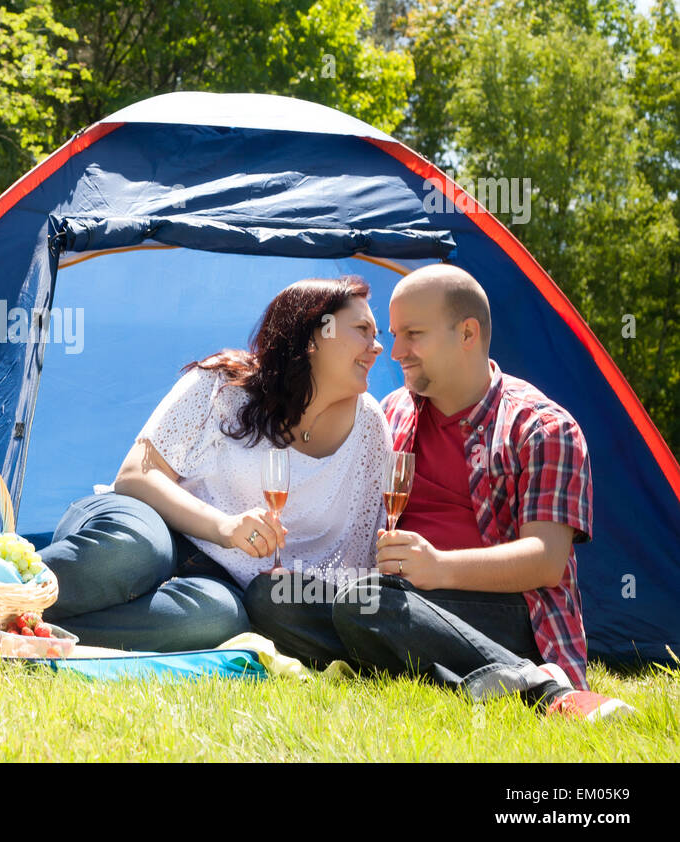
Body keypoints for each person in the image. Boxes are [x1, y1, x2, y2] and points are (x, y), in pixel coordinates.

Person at [244, 264, 635, 721]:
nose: (395, 352)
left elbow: (546, 561)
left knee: (369, 604)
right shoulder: (392, 415)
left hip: (507, 615)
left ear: (467, 333)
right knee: (272, 597)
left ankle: (546, 691)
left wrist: (437, 567)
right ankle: (445, 672)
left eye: (412, 334)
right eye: (393, 334)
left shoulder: (542, 428)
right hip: (401, 603)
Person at [39, 276, 389, 651]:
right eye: (362, 330)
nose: (378, 346)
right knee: (135, 551)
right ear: (313, 337)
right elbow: (136, 476)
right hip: (147, 520)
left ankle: (27, 627)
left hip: (217, 582)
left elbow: (357, 555)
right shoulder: (221, 383)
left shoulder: (368, 426)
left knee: (220, 620)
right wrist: (224, 526)